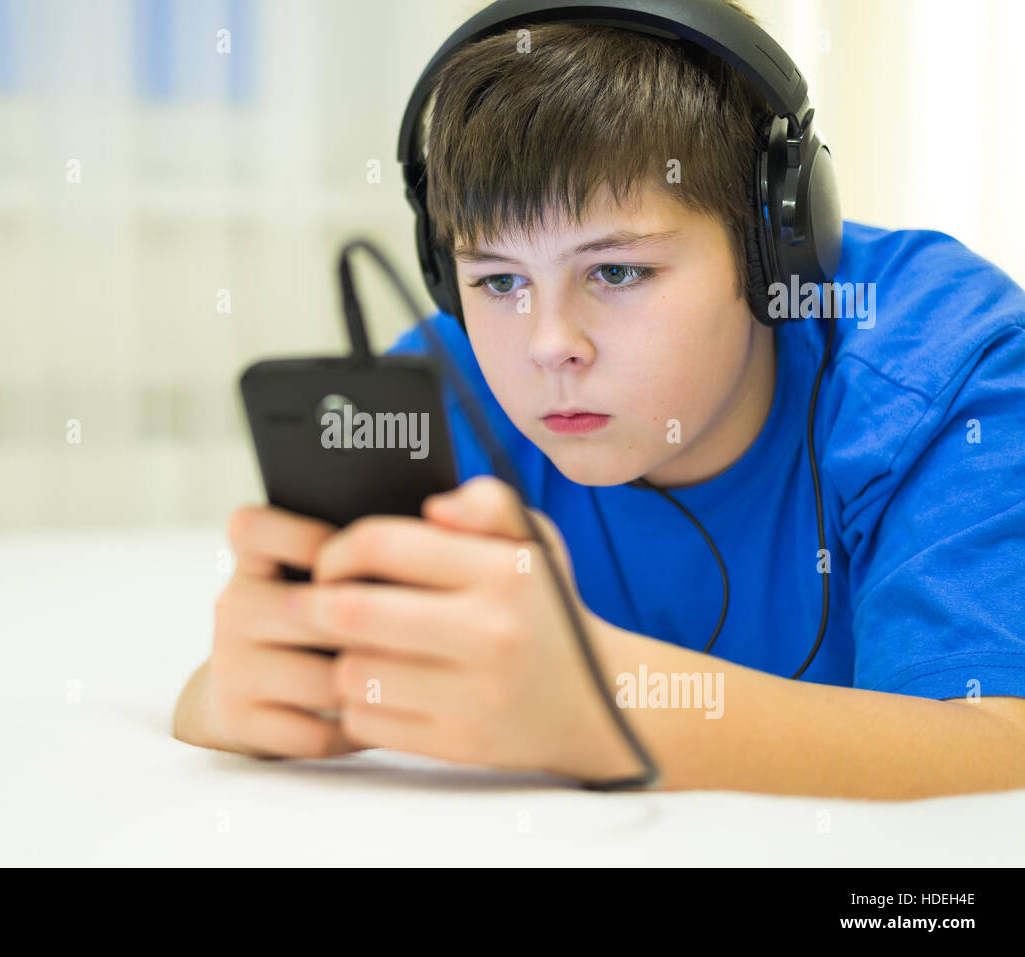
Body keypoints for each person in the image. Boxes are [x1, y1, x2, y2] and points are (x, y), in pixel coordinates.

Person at [173, 5, 1025, 798]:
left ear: (776, 250)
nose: (549, 344)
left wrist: (599, 704)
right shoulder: (439, 394)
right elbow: (263, 683)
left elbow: (999, 745)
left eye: (617, 271)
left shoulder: (949, 367)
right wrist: (245, 690)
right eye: (498, 279)